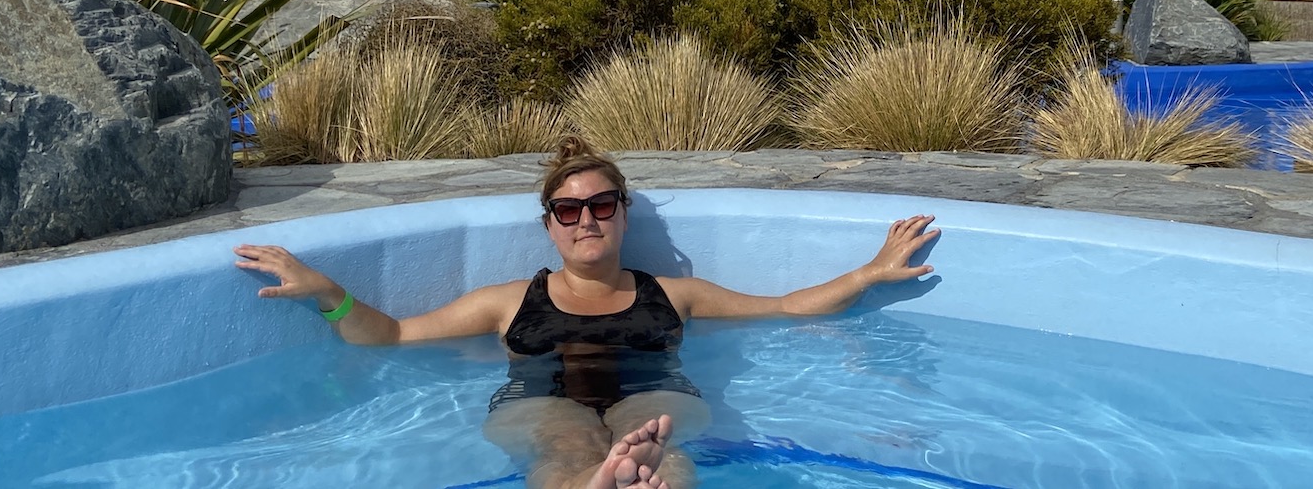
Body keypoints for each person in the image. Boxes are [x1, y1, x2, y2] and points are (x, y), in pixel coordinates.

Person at [234, 136, 939, 489]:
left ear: (622, 212)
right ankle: (600, 480)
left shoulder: (675, 295)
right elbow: (389, 335)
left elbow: (784, 306)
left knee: (657, 442)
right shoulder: (508, 300)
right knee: (567, 444)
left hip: (652, 390)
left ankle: (625, 474)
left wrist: (872, 272)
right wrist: (327, 291)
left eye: (601, 205)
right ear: (550, 224)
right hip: (539, 395)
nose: (586, 220)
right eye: (569, 210)